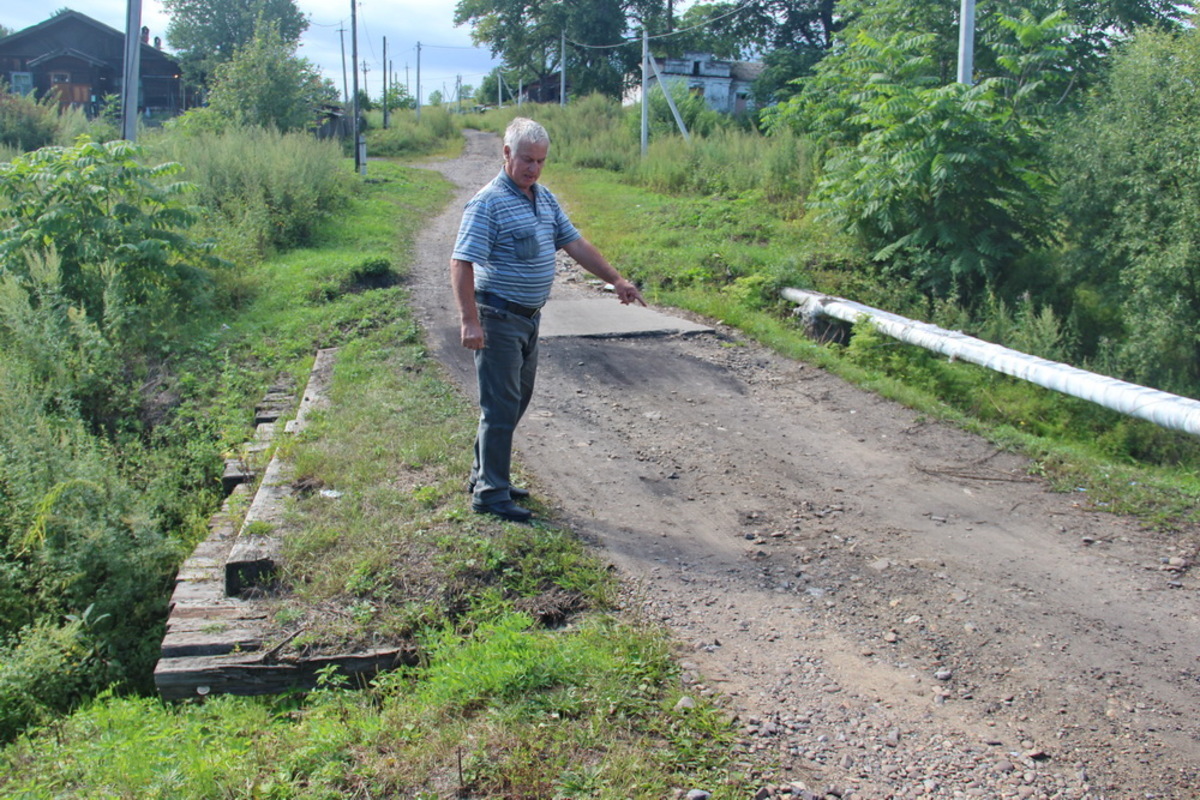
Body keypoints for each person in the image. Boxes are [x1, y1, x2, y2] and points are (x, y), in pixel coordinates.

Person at [451, 117, 645, 522]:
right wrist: (469, 321)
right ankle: (490, 494)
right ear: (506, 154)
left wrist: (616, 280)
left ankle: (486, 475)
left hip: (528, 319)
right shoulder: (487, 202)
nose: (533, 168)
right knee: (500, 407)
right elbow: (461, 261)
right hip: (498, 317)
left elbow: (574, 243)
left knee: (514, 402)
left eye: (540, 161)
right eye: (526, 159)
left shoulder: (544, 198)